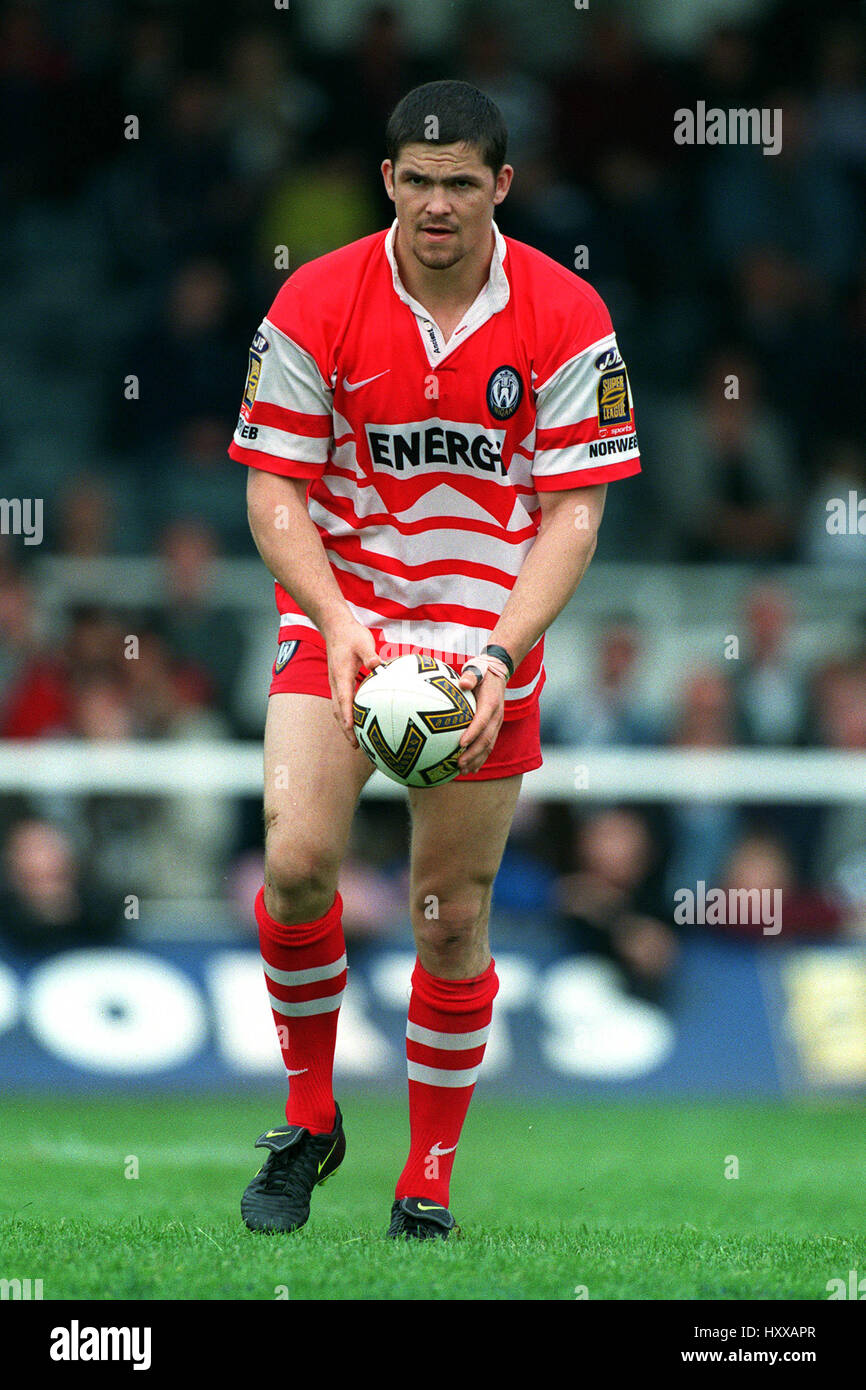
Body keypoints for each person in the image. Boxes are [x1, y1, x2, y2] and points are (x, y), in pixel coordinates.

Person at [228, 81, 640, 1240]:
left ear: (500, 186)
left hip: (482, 650)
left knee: (449, 916)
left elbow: (572, 518)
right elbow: (273, 494)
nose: (438, 204)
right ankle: (311, 1120)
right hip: (338, 623)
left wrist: (502, 654)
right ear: (387, 184)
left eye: (462, 181)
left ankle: (427, 1181)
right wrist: (338, 614)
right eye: (418, 182)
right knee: (298, 860)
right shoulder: (315, 297)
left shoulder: (565, 316)